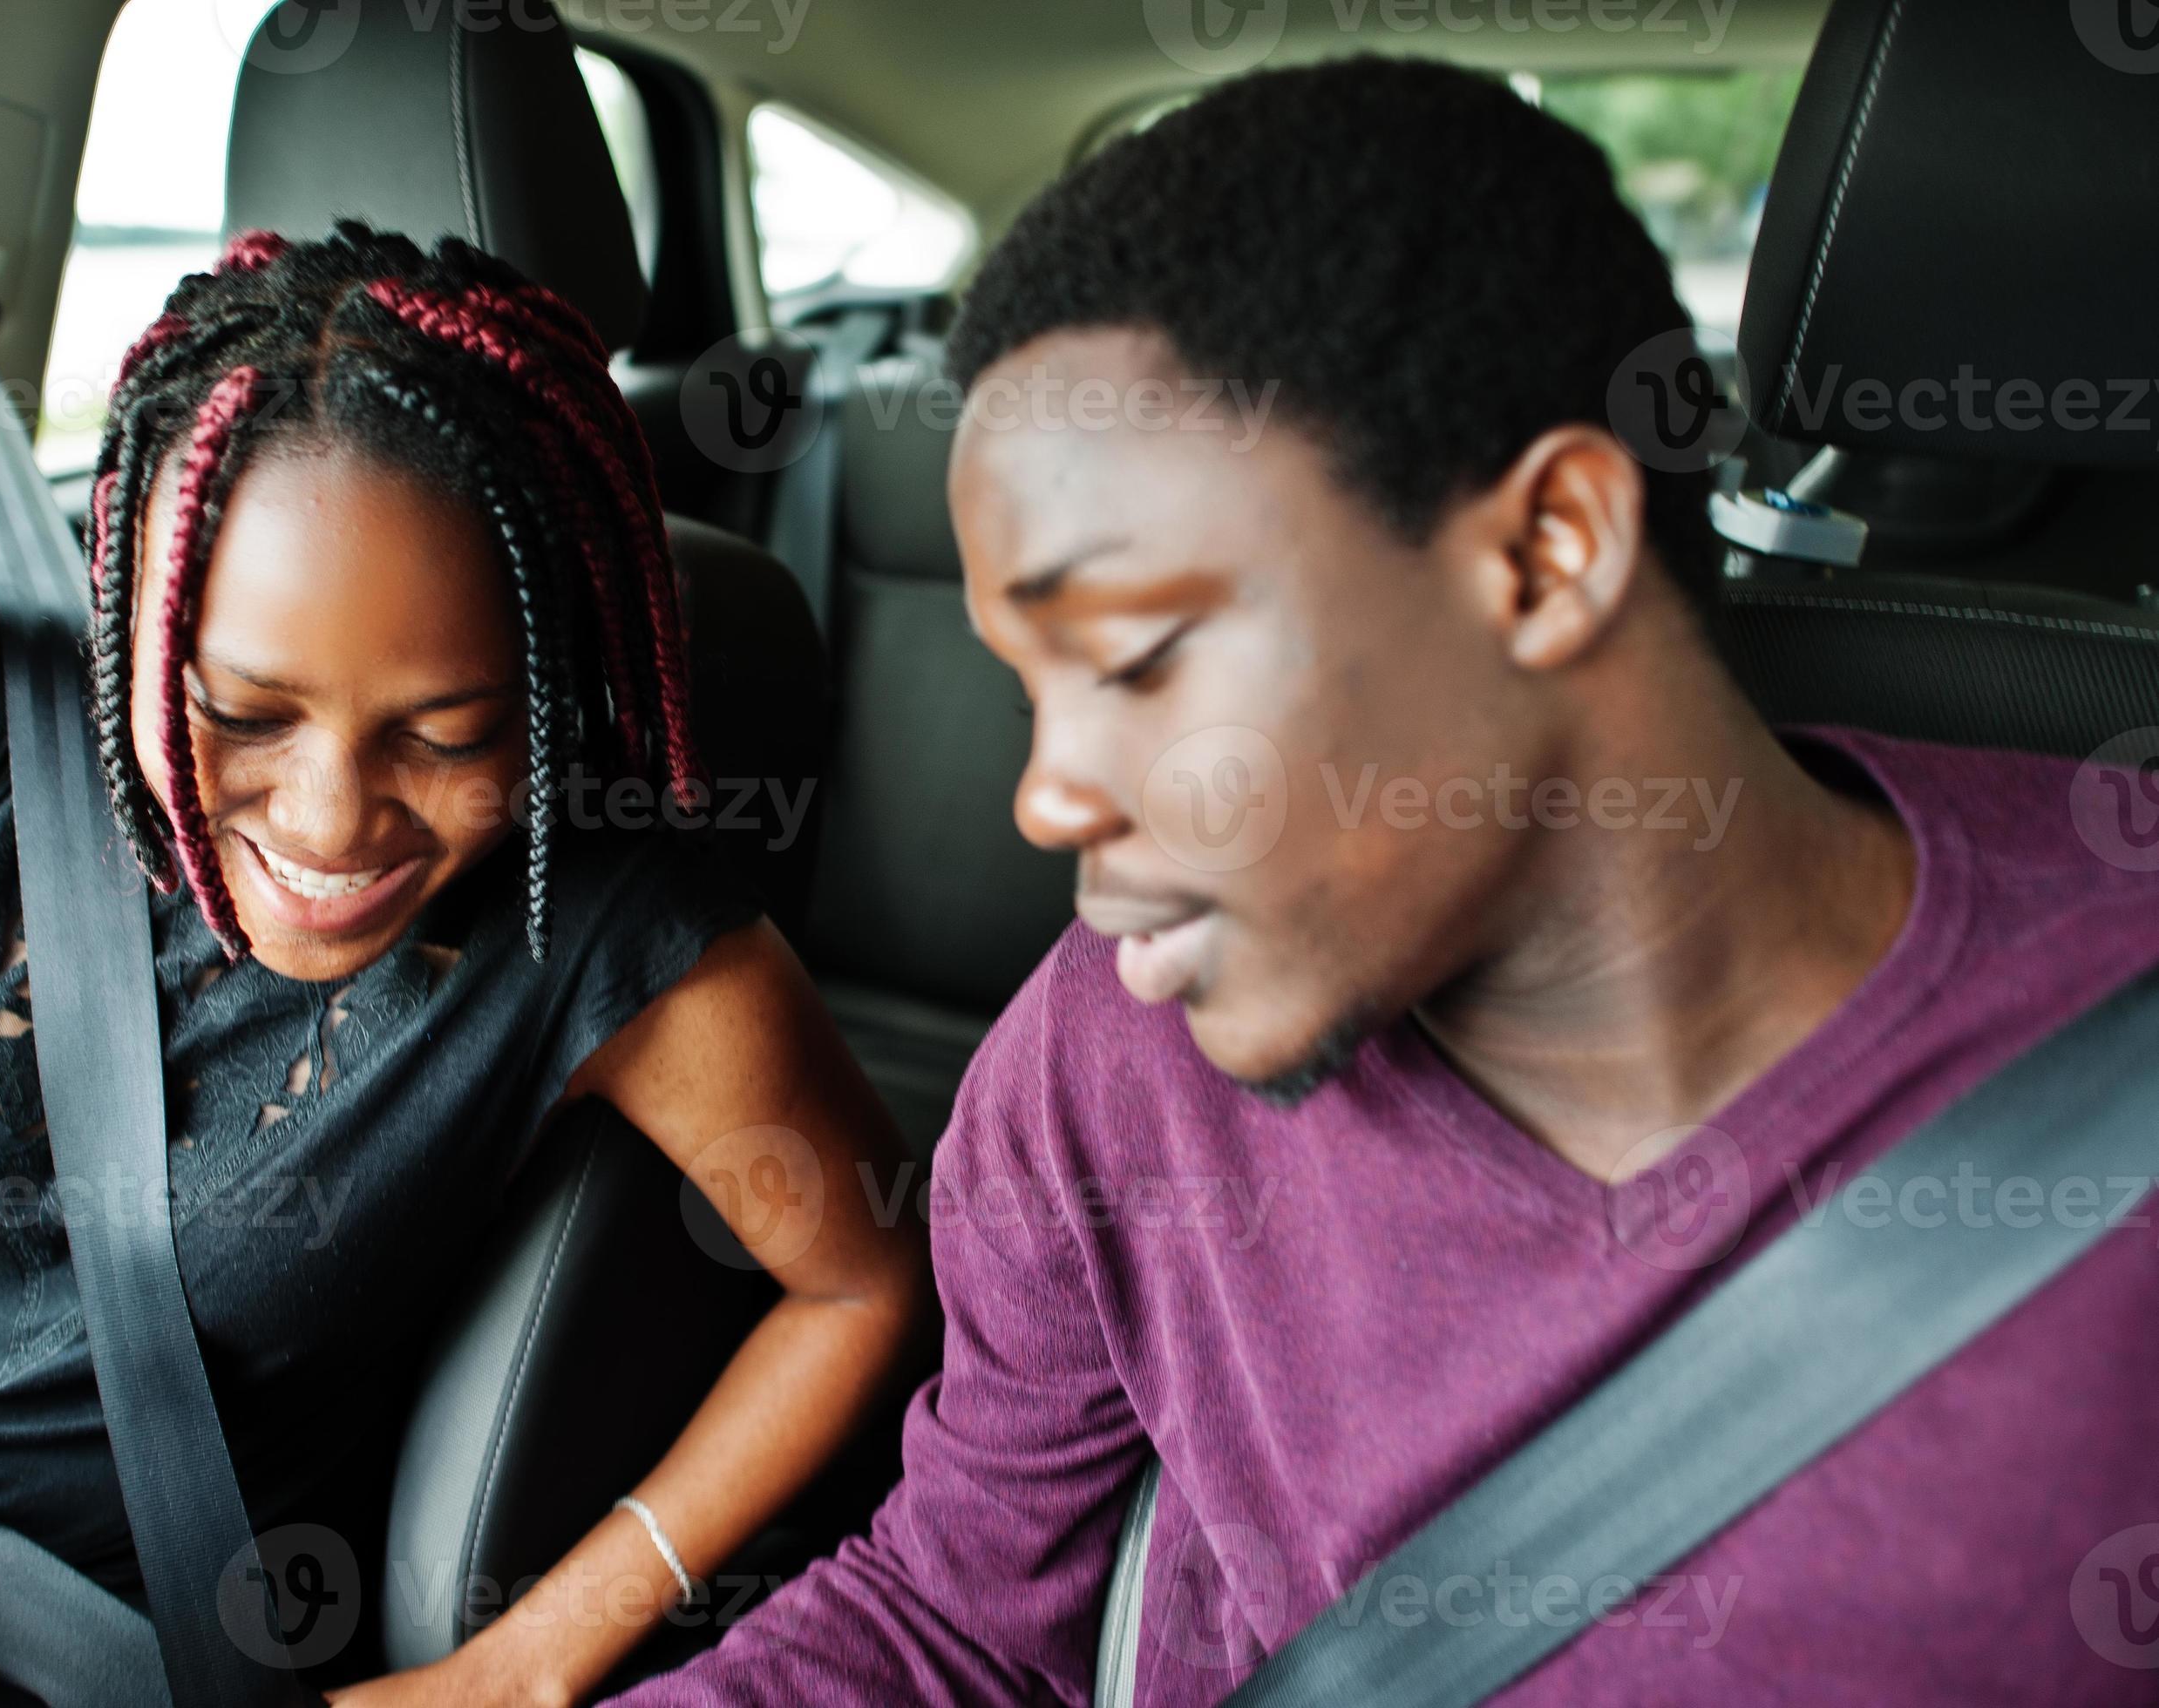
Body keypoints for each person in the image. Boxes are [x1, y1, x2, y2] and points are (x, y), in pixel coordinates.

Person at [613, 58, 2159, 1707]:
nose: (1047, 794)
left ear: (1546, 549)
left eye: (1133, 658)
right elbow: (955, 1612)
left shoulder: (2103, 1111)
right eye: (1028, 693)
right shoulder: (1105, 1066)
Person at [0, 223, 929, 1706]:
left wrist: (521, 1668)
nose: (330, 817)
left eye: (446, 735)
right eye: (243, 712)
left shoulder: (620, 942)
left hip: (69, 1663)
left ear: (551, 695)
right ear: (138, 621)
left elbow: (866, 1280)